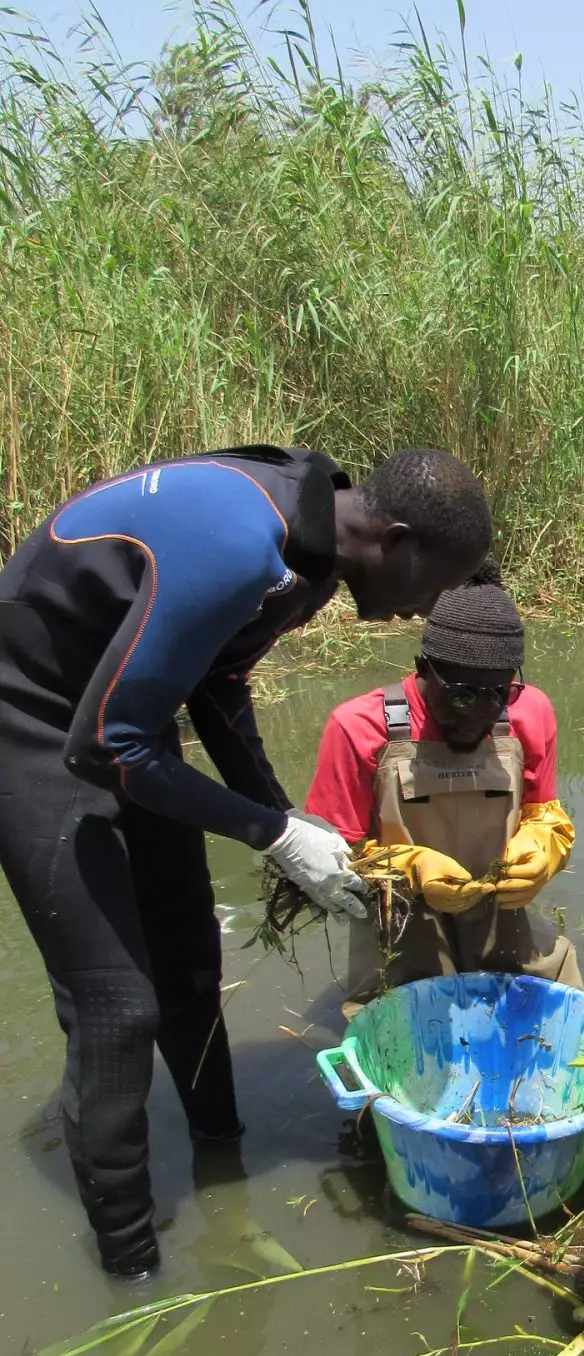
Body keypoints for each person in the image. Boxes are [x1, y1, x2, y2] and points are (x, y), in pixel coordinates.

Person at [0, 443, 493, 1276]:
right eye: (434, 583)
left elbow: (217, 684)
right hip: (34, 721)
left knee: (191, 963)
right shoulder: (240, 545)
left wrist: (281, 818)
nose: (425, 609)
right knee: (118, 1008)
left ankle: (220, 1167)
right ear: (397, 539)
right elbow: (103, 749)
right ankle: (133, 1272)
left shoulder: (309, 561)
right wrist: (272, 835)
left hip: (121, 714)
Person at [305, 561, 581, 1001]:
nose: (478, 714)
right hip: (401, 930)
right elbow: (330, 860)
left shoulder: (531, 712)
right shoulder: (358, 727)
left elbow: (541, 813)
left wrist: (542, 844)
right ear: (423, 669)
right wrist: (408, 868)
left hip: (502, 917)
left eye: (498, 693)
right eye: (461, 694)